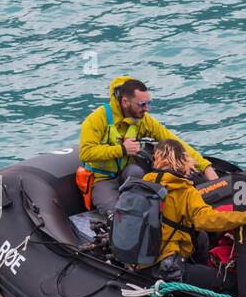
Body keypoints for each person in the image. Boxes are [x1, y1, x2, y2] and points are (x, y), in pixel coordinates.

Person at [72, 75, 218, 240]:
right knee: (116, 215)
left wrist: (205, 166)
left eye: (148, 103)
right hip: (103, 179)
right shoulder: (97, 119)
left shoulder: (143, 120)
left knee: (139, 178)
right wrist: (121, 149)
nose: (147, 109)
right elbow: (86, 152)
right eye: (142, 104)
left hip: (129, 172)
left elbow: (174, 141)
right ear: (125, 102)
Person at [141, 139, 246, 292]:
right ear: (183, 161)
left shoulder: (145, 182)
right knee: (231, 282)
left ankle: (198, 269)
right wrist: (243, 217)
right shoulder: (184, 191)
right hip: (164, 266)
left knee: (201, 237)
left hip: (139, 259)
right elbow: (206, 219)